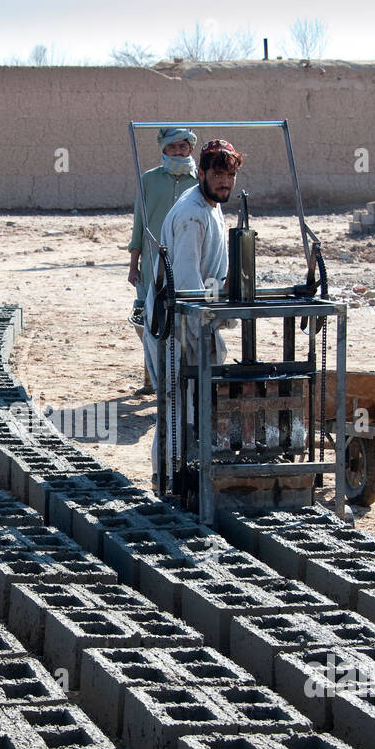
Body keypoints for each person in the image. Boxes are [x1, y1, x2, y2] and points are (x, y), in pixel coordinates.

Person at [142, 137, 245, 488]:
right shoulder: (191, 215)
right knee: (176, 405)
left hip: (196, 321)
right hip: (176, 325)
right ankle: (168, 481)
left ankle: (191, 478)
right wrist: (211, 319)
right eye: (217, 174)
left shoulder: (212, 206)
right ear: (200, 173)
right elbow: (187, 285)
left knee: (196, 404)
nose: (224, 182)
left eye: (229, 175)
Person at [128, 128, 198, 393]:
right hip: (151, 262)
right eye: (173, 147)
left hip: (185, 261)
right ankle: (151, 379)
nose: (178, 151)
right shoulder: (148, 180)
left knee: (181, 320)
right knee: (150, 320)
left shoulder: (198, 183)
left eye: (182, 146)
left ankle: (180, 380)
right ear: (163, 150)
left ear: (190, 149)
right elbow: (139, 225)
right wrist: (134, 263)